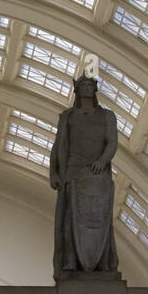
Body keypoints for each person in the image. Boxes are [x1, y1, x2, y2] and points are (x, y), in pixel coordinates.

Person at [50, 74, 120, 279]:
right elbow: (58, 146)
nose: (87, 89)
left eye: (91, 86)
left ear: (95, 90)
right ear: (77, 91)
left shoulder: (107, 116)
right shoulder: (68, 117)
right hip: (73, 172)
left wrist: (103, 160)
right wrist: (53, 172)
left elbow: (112, 142)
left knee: (99, 219)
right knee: (71, 219)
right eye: (84, 86)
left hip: (97, 175)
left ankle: (102, 263)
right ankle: (70, 261)